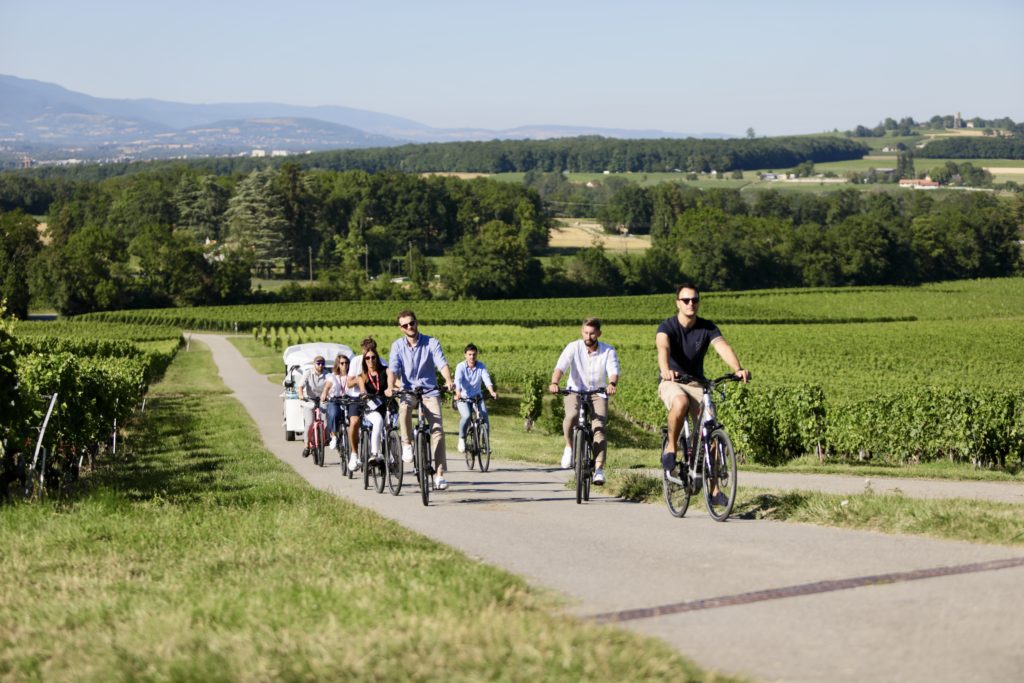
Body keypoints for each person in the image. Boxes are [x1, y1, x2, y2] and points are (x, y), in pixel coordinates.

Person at [657, 283, 750, 479]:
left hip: (697, 383)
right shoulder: (668, 326)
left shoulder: (707, 327)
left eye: (695, 300)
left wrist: (738, 369)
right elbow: (663, 347)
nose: (691, 303)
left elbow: (722, 346)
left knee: (710, 429)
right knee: (680, 402)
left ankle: (714, 490)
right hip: (672, 381)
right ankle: (672, 447)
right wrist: (666, 370)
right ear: (678, 303)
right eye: (686, 300)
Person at [386, 310, 455, 490]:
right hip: (408, 390)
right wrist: (390, 385)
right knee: (404, 409)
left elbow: (441, 363)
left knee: (438, 430)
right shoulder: (397, 346)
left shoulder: (431, 342)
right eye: (405, 325)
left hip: (430, 390)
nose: (410, 327)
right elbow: (392, 368)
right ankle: (407, 443)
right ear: (400, 328)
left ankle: (439, 474)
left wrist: (448, 381)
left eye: (412, 323)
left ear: (417, 322)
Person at [548, 317, 619, 485]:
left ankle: (599, 469)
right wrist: (555, 382)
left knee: (599, 428)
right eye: (586, 333)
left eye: (592, 333)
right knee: (571, 416)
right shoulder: (573, 347)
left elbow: (613, 370)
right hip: (575, 390)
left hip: (598, 393)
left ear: (599, 333)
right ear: (582, 332)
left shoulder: (608, 351)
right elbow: (561, 366)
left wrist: (612, 384)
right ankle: (569, 447)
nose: (589, 336)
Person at [453, 343, 498, 453]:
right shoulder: (461, 367)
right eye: (469, 354)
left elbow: (486, 379)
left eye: (474, 354)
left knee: (484, 417)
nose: (472, 357)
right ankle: (462, 438)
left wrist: (492, 391)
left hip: (477, 398)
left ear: (476, 355)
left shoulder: (481, 366)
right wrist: (458, 393)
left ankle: (485, 444)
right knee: (467, 416)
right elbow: (457, 381)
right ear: (465, 355)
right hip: (463, 398)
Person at [352, 344, 388, 465]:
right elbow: (362, 390)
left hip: (386, 404)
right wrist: (364, 395)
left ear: (377, 358)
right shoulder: (362, 376)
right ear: (364, 360)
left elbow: (396, 383)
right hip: (371, 406)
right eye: (367, 358)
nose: (371, 360)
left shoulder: (385, 371)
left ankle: (392, 452)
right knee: (377, 421)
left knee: (391, 425)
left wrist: (399, 388)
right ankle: (374, 453)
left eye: (373, 357)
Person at [297, 355, 331, 457]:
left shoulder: (327, 374)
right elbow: (300, 386)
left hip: (322, 400)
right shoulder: (308, 373)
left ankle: (325, 439)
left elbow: (331, 385)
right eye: (318, 363)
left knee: (325, 422)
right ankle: (307, 445)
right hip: (309, 400)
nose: (320, 366)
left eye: (322, 364)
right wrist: (301, 395)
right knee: (309, 422)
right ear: (314, 364)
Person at [320, 354, 351, 461]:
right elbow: (327, 386)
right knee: (333, 414)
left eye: (346, 363)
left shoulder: (352, 376)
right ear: (338, 364)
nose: (345, 365)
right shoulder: (332, 376)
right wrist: (324, 394)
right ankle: (333, 436)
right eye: (342, 363)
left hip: (348, 400)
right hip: (335, 400)